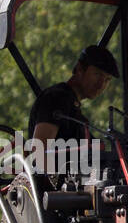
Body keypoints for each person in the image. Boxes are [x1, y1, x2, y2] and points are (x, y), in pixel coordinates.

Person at [27, 45, 119, 175]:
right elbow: (39, 151)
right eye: (97, 74)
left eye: (107, 80)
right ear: (80, 69)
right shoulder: (58, 98)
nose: (101, 84)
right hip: (58, 186)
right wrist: (57, 186)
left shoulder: (73, 108)